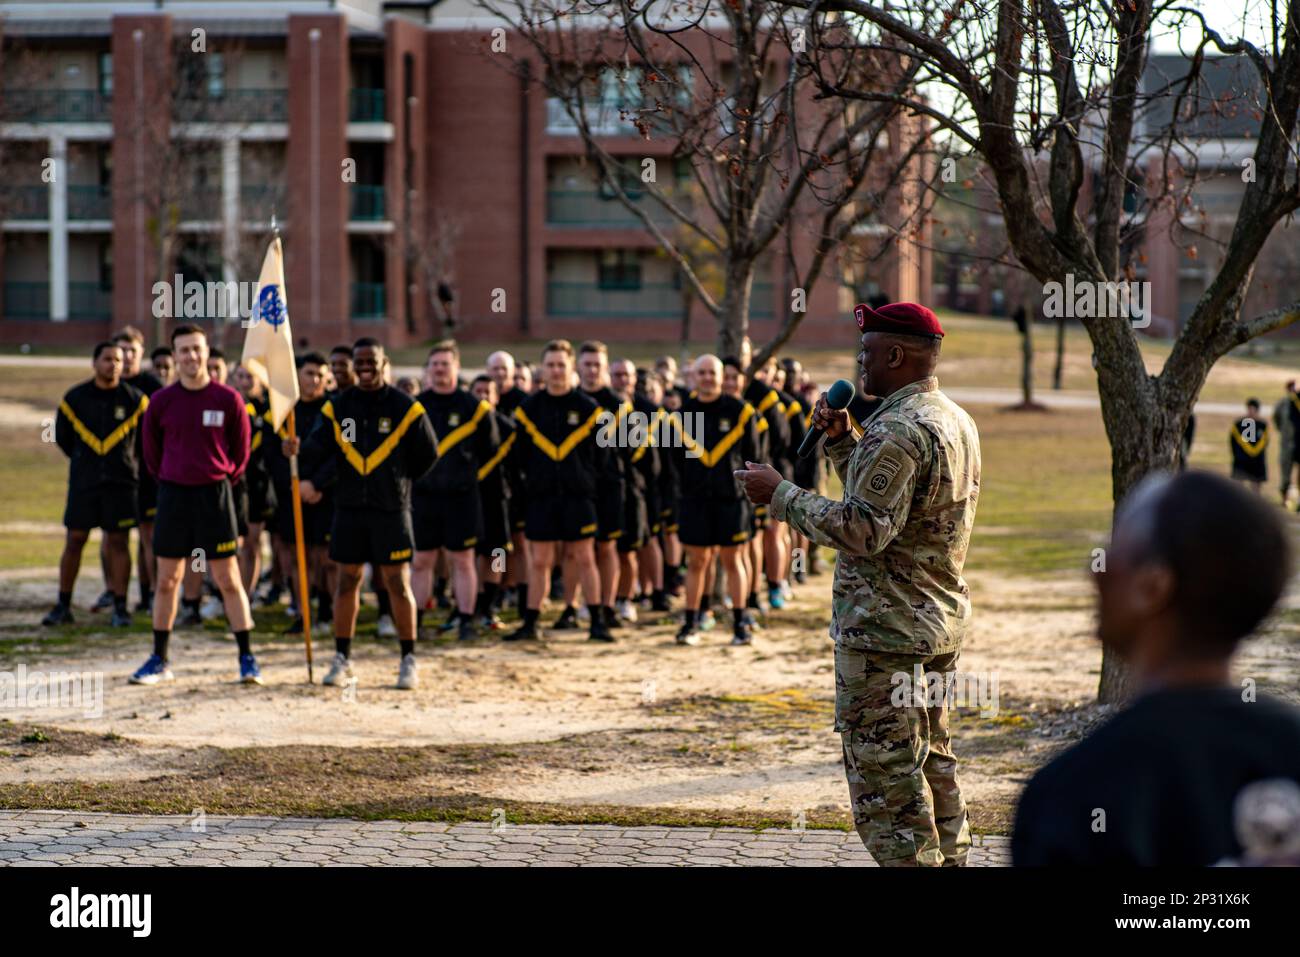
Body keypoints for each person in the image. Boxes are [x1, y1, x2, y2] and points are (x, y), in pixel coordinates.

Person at [735, 302, 981, 866]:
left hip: (884, 635)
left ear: (896, 354)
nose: (859, 364)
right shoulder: (951, 418)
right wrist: (847, 441)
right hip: (931, 627)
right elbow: (894, 505)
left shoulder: (900, 429)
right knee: (931, 761)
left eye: (867, 352)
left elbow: (864, 529)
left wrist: (780, 494)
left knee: (889, 783)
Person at [1012, 471, 1300, 866]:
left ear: (1153, 588)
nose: (1096, 571)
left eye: (1116, 550)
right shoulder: (1288, 750)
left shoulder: (1075, 792)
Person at [292, 338, 438, 689]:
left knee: (396, 584)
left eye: (372, 360)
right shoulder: (339, 407)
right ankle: (342, 657)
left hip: (392, 510)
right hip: (350, 510)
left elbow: (428, 453)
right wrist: (294, 447)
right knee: (347, 581)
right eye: (359, 361)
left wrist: (399, 481)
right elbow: (316, 447)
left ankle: (408, 659)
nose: (365, 367)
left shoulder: (406, 407)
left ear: (384, 362)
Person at [134, 324, 260, 686]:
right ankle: (159, 659)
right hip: (173, 495)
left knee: (228, 579)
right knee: (167, 579)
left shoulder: (228, 399)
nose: (191, 356)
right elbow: (152, 456)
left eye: (196, 349)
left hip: (214, 497)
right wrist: (176, 476)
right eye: (183, 350)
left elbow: (241, 453)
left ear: (208, 352)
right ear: (174, 356)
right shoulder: (160, 402)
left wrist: (218, 478)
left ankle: (247, 658)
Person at [505, 339, 611, 643]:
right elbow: (517, 458)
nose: (555, 370)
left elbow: (601, 458)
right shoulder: (528, 409)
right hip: (541, 498)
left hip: (579, 497)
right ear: (543, 369)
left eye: (560, 365)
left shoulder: (589, 409)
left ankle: (597, 621)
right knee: (539, 561)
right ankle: (532, 622)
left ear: (571, 367)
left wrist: (585, 482)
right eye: (549, 365)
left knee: (584, 557)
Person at [43, 342, 148, 628]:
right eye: (107, 359)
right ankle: (63, 604)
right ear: (94, 363)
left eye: (118, 360)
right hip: (84, 482)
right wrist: (84, 460)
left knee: (118, 541)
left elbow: (144, 443)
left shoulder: (136, 400)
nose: (113, 364)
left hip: (121, 483)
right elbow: (63, 438)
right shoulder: (74, 399)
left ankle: (120, 606)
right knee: (75, 539)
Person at [411, 341, 499, 642]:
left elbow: (490, 451)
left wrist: (464, 478)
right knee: (422, 561)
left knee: (463, 560)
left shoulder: (474, 408)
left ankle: (465, 621)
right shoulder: (416, 406)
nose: (439, 369)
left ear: (456, 367)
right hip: (424, 497)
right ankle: (416, 622)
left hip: (461, 499)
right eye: (434, 363)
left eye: (444, 363)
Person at [671, 354, 760, 647]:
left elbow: (753, 457)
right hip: (694, 501)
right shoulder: (679, 415)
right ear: (693, 377)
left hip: (730, 500)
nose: (707, 377)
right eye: (702, 372)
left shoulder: (742, 412)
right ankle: (691, 621)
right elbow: (672, 465)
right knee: (696, 561)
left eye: (713, 372)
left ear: (723, 377)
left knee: (733, 560)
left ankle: (740, 623)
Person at [266, 353, 335, 636]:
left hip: (324, 495)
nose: (315, 380)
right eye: (309, 373)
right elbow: (271, 454)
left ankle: (327, 611)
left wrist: (317, 484)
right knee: (297, 557)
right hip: (291, 494)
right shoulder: (283, 409)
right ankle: (302, 612)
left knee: (326, 558)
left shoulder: (335, 409)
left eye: (321, 374)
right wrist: (294, 484)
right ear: (298, 375)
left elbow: (342, 453)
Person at [114, 326, 165, 615]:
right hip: (116, 477)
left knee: (150, 537)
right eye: (121, 351)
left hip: (148, 474)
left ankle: (154, 594)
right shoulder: (106, 386)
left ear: (140, 353)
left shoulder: (152, 386)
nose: (127, 356)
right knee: (115, 537)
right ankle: (115, 594)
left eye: (132, 350)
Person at [470, 373, 518, 629]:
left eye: (488, 392)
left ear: (497, 397)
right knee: (472, 554)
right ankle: (471, 603)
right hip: (469, 499)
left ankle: (491, 600)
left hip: (498, 499)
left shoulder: (507, 428)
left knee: (497, 552)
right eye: (478, 392)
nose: (483, 397)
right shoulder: (464, 428)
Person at [1229, 398, 1268, 492]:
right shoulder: (1239, 424)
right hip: (1241, 458)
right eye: (1249, 409)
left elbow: (1265, 442)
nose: (1251, 412)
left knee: (1256, 484)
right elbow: (1232, 442)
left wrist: (1253, 452)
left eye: (1253, 409)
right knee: (1239, 483)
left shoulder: (1262, 425)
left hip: (1257, 459)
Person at [1271, 382, 1296, 505]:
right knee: (1285, 473)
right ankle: (1284, 499)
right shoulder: (1283, 404)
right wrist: (1283, 432)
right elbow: (1276, 418)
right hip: (1287, 444)